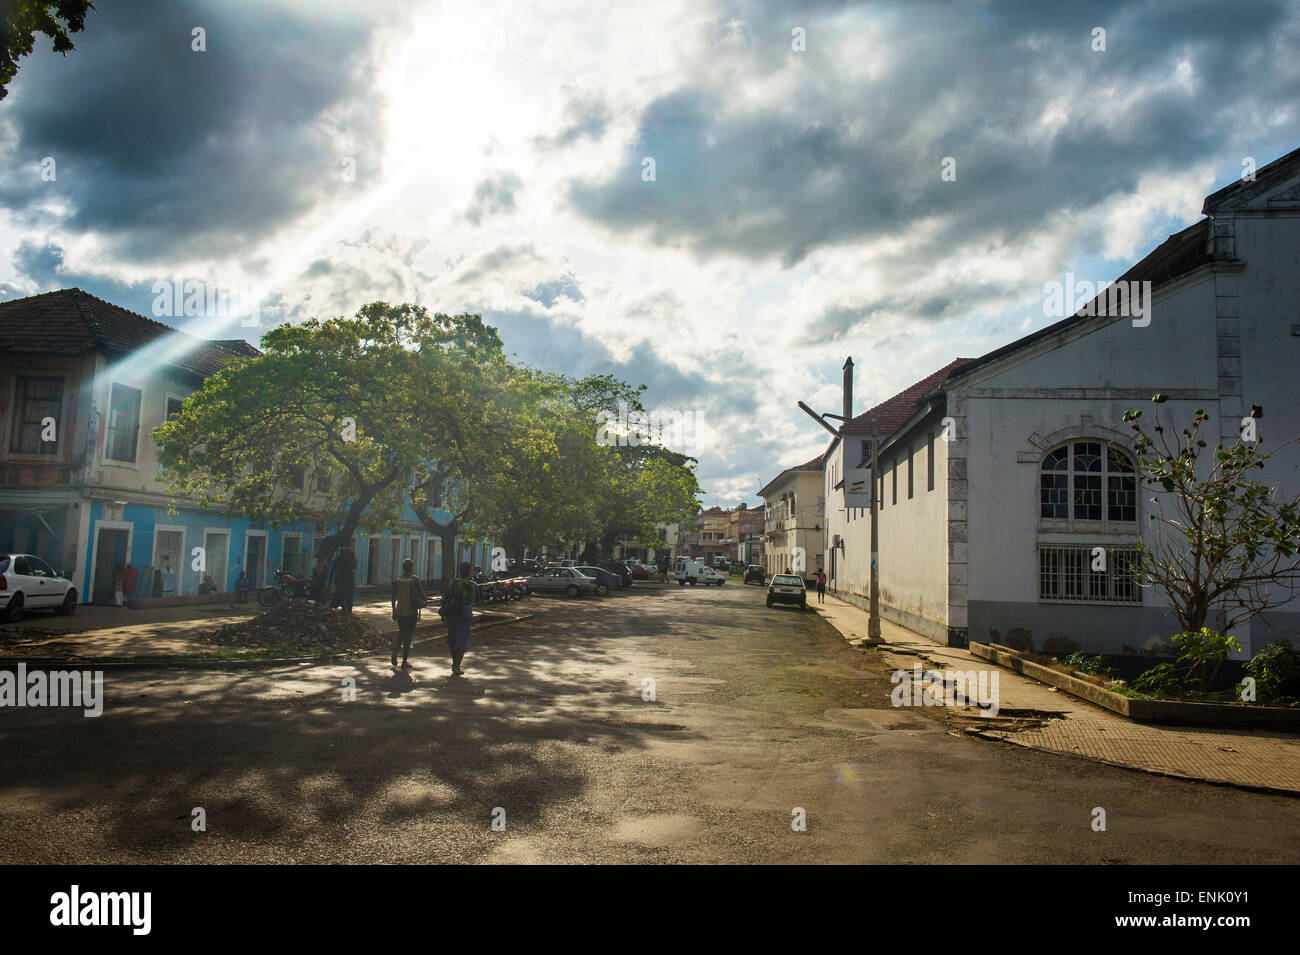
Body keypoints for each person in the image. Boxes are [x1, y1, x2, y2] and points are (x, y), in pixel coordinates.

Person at [440, 561, 477, 677]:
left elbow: (447, 596)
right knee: (462, 639)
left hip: (452, 612)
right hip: (465, 612)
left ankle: (454, 663)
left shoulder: (453, 583)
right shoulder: (472, 585)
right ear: (469, 572)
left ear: (459, 571)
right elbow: (473, 599)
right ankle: (457, 665)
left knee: (452, 637)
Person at [390, 558, 426, 669]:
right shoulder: (414, 580)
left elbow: (393, 597)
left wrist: (394, 610)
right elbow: (422, 594)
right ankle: (404, 661)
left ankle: (395, 652)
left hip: (400, 610)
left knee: (402, 632)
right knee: (408, 636)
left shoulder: (397, 580)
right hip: (411, 611)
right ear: (412, 568)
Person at [330, 546, 358, 613]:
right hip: (344, 582)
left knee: (345, 597)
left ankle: (346, 610)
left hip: (345, 582)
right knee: (343, 596)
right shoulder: (340, 560)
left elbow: (333, 570)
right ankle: (345, 610)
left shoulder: (345, 560)